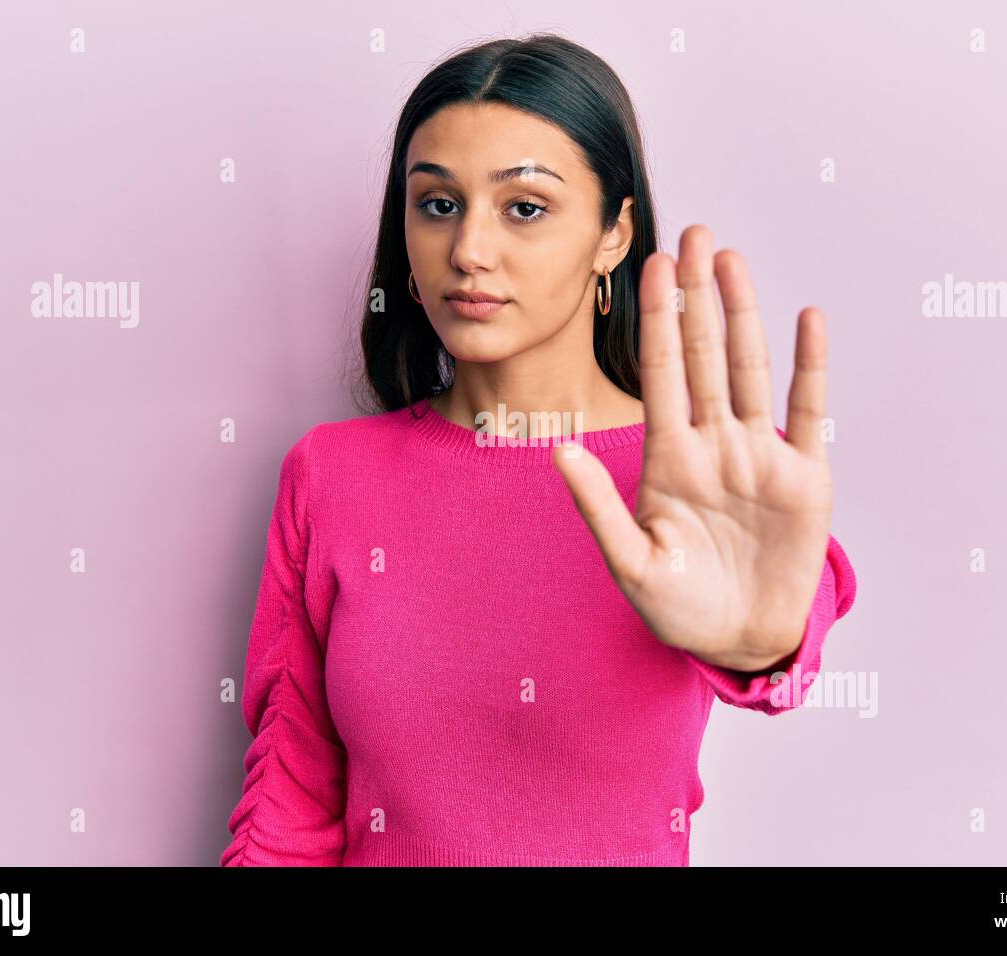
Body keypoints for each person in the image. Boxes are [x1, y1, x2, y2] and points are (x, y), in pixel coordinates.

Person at [221, 33, 857, 867]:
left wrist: (762, 646)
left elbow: (792, 614)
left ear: (613, 236)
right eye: (438, 204)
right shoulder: (331, 475)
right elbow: (291, 799)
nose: (469, 252)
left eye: (525, 207)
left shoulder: (703, 474)